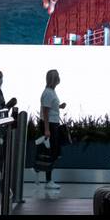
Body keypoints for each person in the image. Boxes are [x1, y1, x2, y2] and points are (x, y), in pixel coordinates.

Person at [36, 69, 65, 198]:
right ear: (54, 79)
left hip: (53, 124)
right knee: (51, 152)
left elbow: (49, 109)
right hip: (50, 125)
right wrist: (47, 130)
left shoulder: (51, 92)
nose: (60, 78)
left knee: (52, 152)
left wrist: (59, 107)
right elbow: (46, 113)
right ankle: (48, 179)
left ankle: (45, 176)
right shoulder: (48, 93)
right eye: (58, 76)